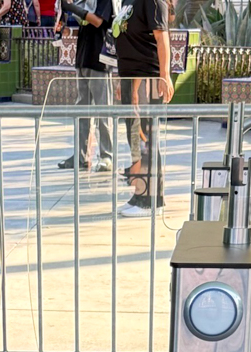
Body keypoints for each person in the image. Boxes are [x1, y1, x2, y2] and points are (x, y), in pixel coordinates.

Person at [112, 0, 172, 216]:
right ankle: (140, 192)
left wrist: (164, 75)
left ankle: (151, 199)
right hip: (131, 77)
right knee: (135, 137)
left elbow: (161, 36)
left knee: (146, 138)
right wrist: (123, 80)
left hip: (146, 78)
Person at [54, 0, 113, 173]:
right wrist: (64, 22)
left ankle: (106, 156)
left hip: (99, 58)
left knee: (103, 110)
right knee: (82, 111)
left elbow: (98, 21)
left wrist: (73, 8)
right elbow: (83, 21)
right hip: (83, 56)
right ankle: (81, 156)